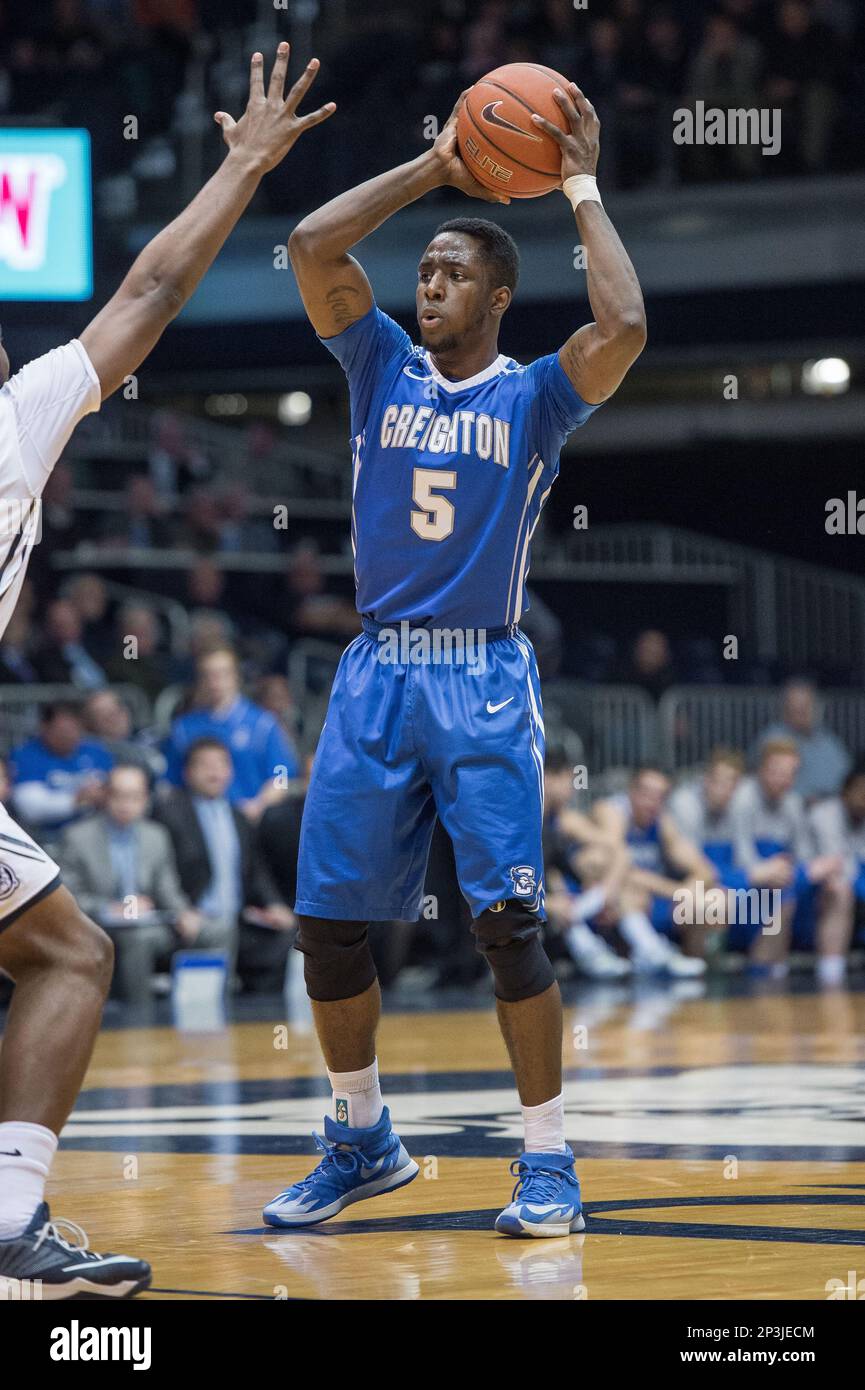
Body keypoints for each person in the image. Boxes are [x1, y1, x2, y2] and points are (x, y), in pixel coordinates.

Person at [264, 82, 646, 1238]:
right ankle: (361, 1137)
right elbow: (308, 243)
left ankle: (548, 1163)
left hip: (479, 673)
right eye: (421, 269)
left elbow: (623, 325)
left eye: (448, 272)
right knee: (328, 926)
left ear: (496, 293)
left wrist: (577, 184)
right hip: (377, 668)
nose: (424, 283)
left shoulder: (534, 397)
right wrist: (435, 169)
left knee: (506, 929)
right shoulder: (375, 361)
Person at [0, 42, 334, 1299]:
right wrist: (243, 165)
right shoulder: (16, 420)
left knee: (66, 952)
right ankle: (9, 1227)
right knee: (71, 957)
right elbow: (150, 282)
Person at [154, 738, 293, 983]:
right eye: (205, 765)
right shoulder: (170, 814)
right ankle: (221, 1013)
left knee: (285, 935)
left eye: (221, 764)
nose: (214, 772)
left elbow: (255, 869)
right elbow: (160, 871)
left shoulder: (239, 816)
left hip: (238, 920)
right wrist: (181, 911)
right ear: (188, 772)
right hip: (191, 919)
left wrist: (273, 904)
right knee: (219, 934)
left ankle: (260, 1016)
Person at [57, 764, 202, 998]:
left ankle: (210, 1015)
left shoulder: (156, 836)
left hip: (149, 922)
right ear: (105, 795)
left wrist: (184, 912)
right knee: (136, 939)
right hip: (98, 928)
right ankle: (138, 1020)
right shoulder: (77, 837)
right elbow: (68, 897)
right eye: (118, 795)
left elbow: (168, 890)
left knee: (215, 930)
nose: (126, 804)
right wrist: (110, 909)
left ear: (146, 799)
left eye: (134, 797)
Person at [728, 739, 846, 978]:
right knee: (783, 896)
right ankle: (765, 973)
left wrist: (819, 870)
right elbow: (742, 862)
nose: (783, 779)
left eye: (790, 773)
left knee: (838, 888)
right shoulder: (742, 799)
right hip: (742, 892)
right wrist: (783, 870)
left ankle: (832, 976)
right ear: (761, 770)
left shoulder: (793, 803)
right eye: (776, 772)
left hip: (782, 883)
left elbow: (804, 856)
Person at [593, 766, 720, 975]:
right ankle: (651, 953)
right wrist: (675, 891)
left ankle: (697, 974)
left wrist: (687, 893)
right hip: (606, 898)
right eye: (646, 794)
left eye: (659, 796)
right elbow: (616, 868)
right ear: (631, 791)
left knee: (708, 901)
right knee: (631, 892)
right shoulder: (611, 811)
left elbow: (705, 870)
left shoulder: (662, 821)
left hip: (654, 899)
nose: (652, 802)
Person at [163, 644, 300, 820]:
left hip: (251, 820)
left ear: (236, 676)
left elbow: (282, 776)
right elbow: (170, 782)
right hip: (197, 826)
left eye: (223, 673)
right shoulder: (183, 728)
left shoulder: (262, 724)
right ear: (200, 680)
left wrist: (259, 805)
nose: (215, 681)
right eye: (208, 675)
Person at [9, 702, 113, 841]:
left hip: (97, 835)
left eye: (74, 728)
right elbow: (30, 808)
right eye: (62, 730)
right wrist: (76, 801)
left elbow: (116, 788)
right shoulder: (26, 755)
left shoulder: (96, 751)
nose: (69, 735)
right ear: (45, 727)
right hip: (46, 837)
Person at [754, 678, 851, 802]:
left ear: (817, 708)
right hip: (787, 807)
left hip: (830, 808)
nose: (800, 712)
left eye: (806, 706)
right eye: (794, 707)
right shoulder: (772, 738)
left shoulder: (829, 740)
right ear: (785, 709)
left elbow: (847, 778)